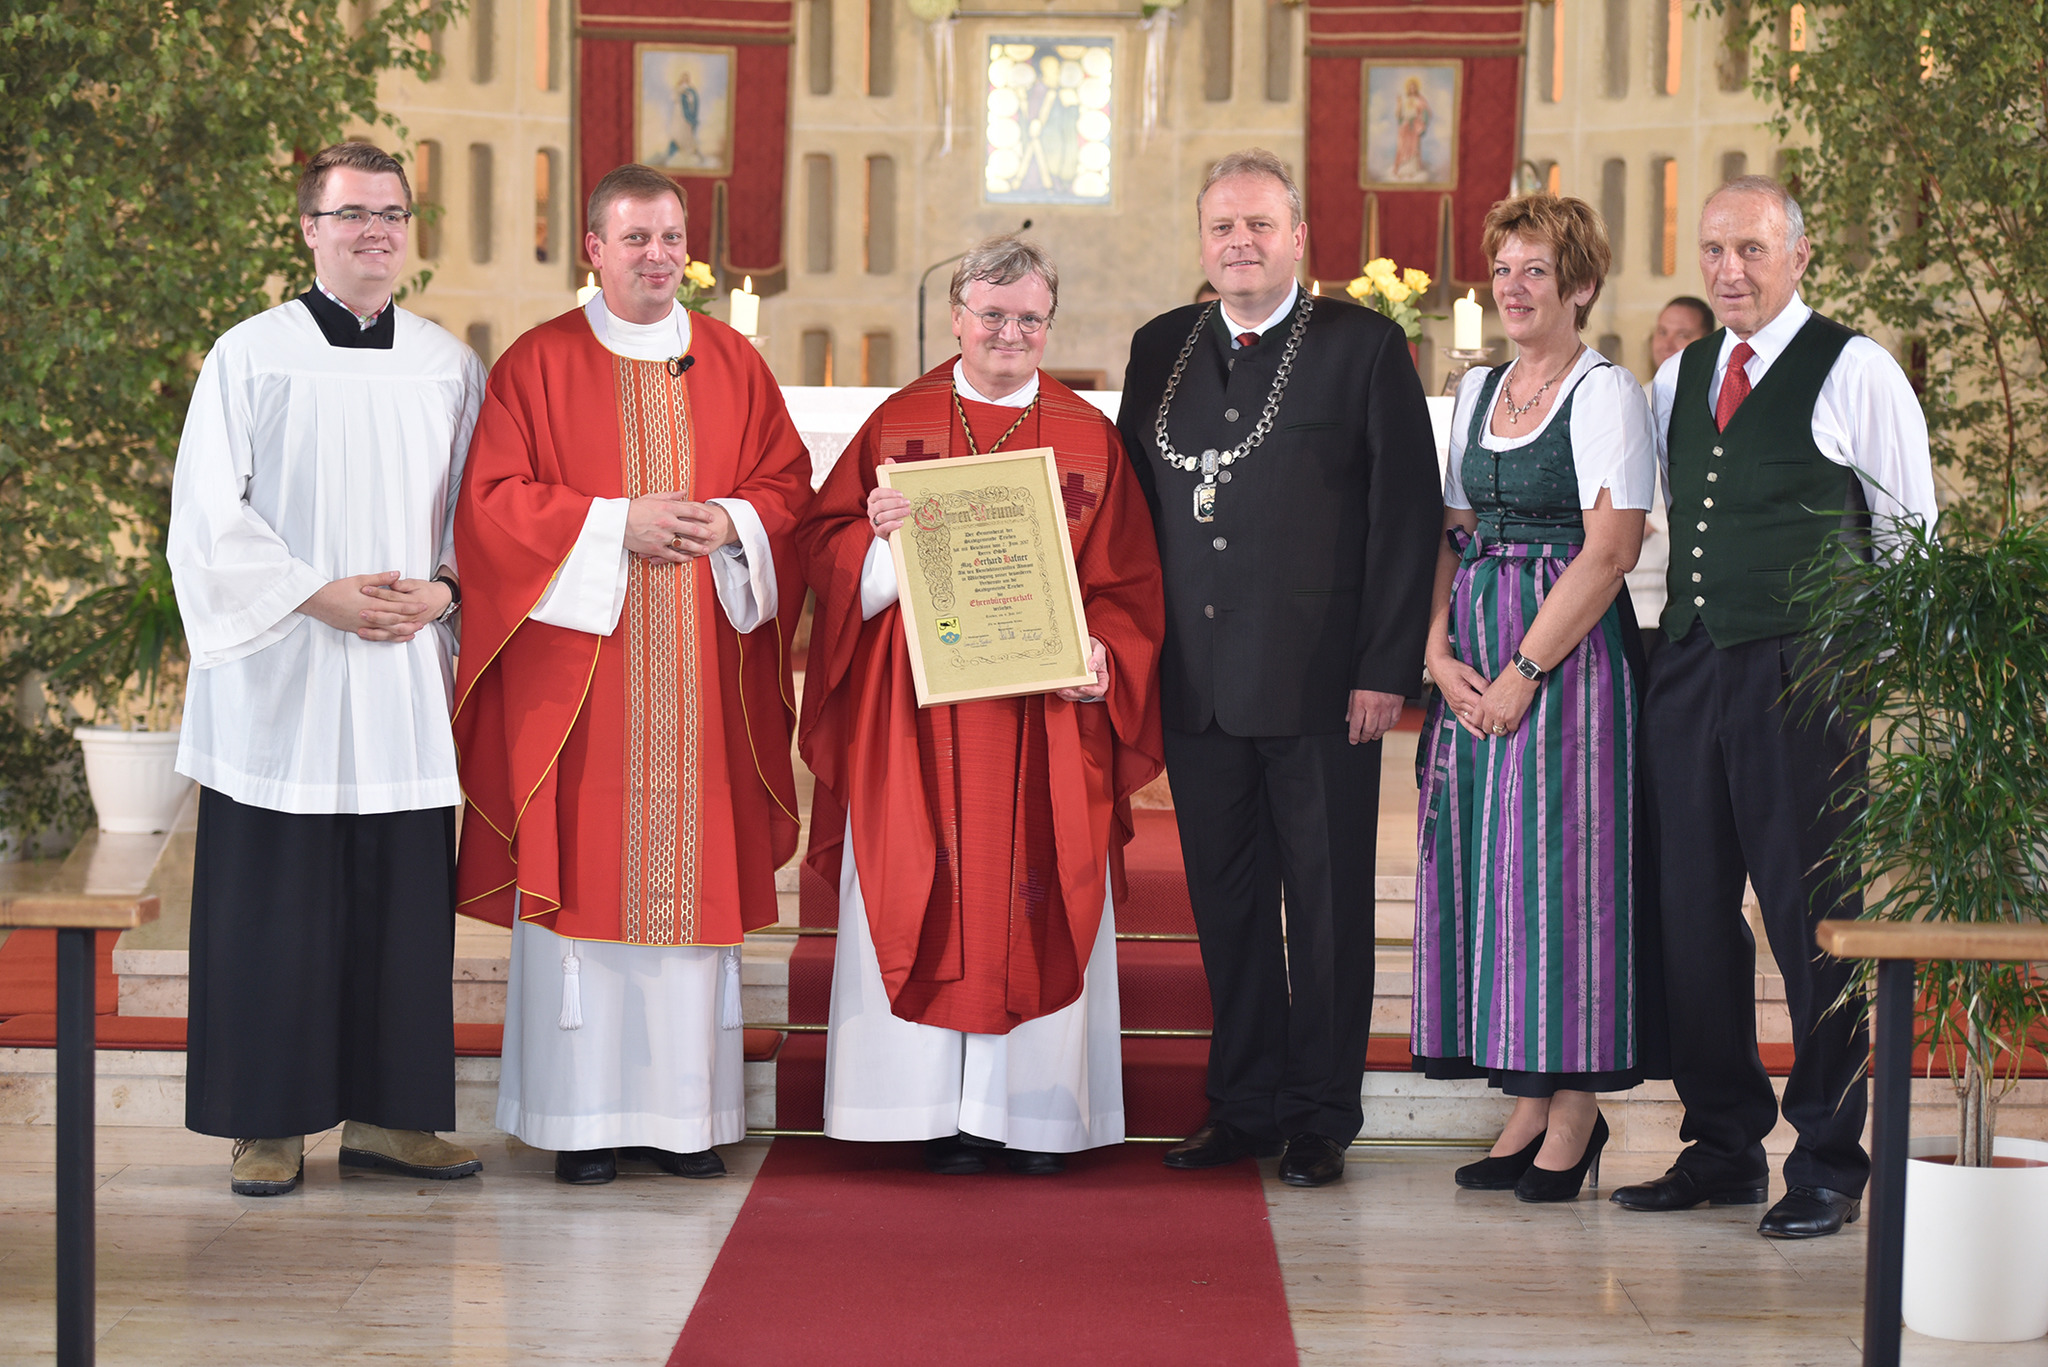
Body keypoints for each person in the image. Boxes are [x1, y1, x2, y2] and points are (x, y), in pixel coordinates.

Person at [452, 164, 812, 1186]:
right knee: (585, 886)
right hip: (584, 687)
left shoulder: (733, 361)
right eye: (636, 238)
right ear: (594, 249)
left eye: (671, 238)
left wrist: (730, 521)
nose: (658, 256)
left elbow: (787, 488)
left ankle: (684, 1120)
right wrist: (617, 523)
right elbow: (492, 503)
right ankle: (582, 1123)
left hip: (701, 682)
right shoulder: (537, 363)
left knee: (691, 899)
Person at [1612, 175, 1937, 1238]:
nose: (1729, 269)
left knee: (1811, 918)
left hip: (1805, 674)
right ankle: (1720, 1143)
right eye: (1713, 249)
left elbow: (1910, 537)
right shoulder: (1679, 373)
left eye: (1750, 249)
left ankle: (1830, 1161)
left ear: (1798, 256)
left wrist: (1863, 678)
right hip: (1689, 664)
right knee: (1689, 912)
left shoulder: (1856, 368)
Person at [797, 237, 1164, 1175]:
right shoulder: (898, 422)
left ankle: (1031, 1117)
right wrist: (878, 547)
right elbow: (823, 549)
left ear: (1050, 323)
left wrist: (1102, 658)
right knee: (919, 874)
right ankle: (915, 1109)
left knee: (1036, 888)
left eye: (1029, 318)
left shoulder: (1088, 436)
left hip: (1044, 719)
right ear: (957, 316)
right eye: (992, 315)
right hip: (915, 715)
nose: (1010, 332)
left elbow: (1128, 586)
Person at [168, 141, 487, 1196]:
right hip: (284, 670)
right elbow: (206, 519)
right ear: (309, 228)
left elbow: (480, 512)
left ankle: (393, 1117)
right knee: (274, 906)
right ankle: (267, 1123)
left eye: (390, 213)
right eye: (351, 213)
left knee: (399, 906)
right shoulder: (250, 354)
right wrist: (317, 593)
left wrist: (444, 590)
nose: (374, 231)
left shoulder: (447, 364)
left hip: (400, 673)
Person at [1118, 149, 1441, 1187]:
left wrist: (1384, 667)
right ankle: (1243, 1104)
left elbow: (1403, 517)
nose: (1240, 243)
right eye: (1222, 226)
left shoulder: (1362, 345)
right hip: (1198, 682)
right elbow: (1129, 512)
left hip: (1322, 686)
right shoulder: (1160, 345)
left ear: (1299, 236)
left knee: (1328, 909)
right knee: (1227, 904)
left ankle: (1319, 1115)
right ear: (1201, 241)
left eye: (1260, 224)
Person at [1410, 194, 1657, 1202]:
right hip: (1473, 645)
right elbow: (1452, 528)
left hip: (1567, 656)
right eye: (1502, 269)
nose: (1512, 289)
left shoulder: (1606, 393)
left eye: (1535, 272)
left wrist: (1524, 670)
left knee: (1563, 878)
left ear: (1581, 286)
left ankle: (1576, 1110)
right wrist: (1434, 650)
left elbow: (1610, 551)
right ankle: (1525, 1098)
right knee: (1494, 875)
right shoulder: (1478, 388)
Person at [1626, 297, 1717, 660]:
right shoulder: (1634, 397)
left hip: (1686, 562)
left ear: (1707, 340)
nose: (1667, 343)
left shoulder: (1717, 403)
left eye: (1682, 334)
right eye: (1662, 332)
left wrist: (1654, 521)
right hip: (1634, 564)